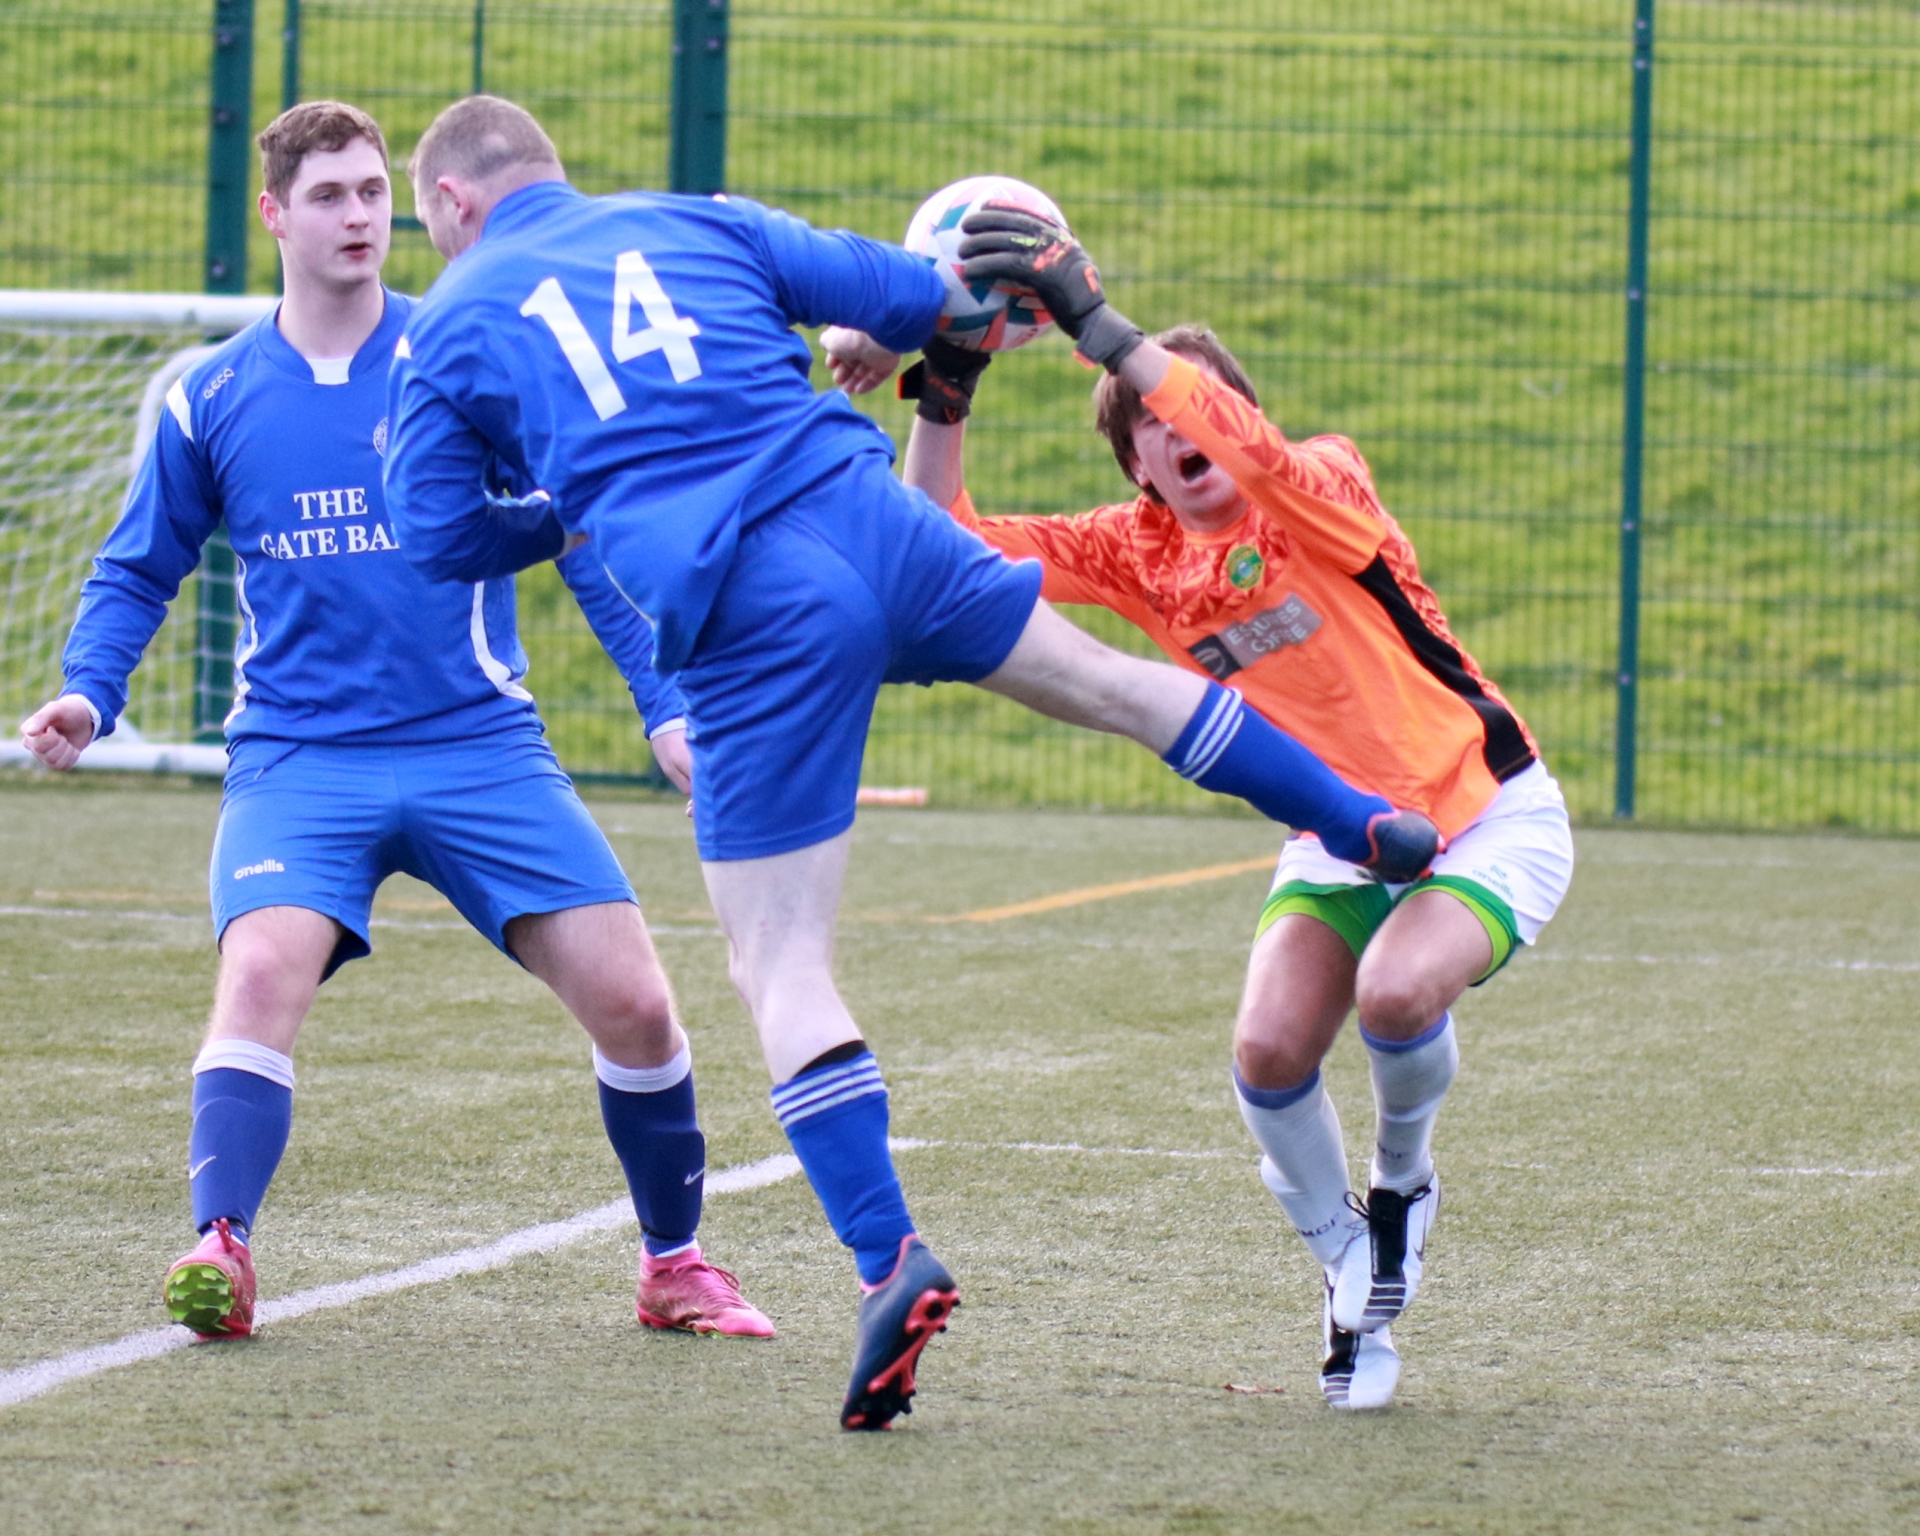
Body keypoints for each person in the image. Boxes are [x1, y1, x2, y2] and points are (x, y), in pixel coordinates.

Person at [382, 95, 1440, 1430]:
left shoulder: (451, 329)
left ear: (457, 208)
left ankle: (891, 1262)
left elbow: (436, 540)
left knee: (779, 960)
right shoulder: (692, 220)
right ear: (554, 174)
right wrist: (870, 344)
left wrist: (574, 496)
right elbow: (919, 292)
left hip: (744, 614)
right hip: (867, 515)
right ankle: (1365, 821)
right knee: (1113, 685)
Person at [17, 101, 771, 1346]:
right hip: (300, 760)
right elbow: (137, 567)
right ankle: (223, 1246)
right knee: (258, 972)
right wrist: (92, 691)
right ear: (274, 214)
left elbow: (581, 538)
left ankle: (675, 1263)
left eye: (375, 191)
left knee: (638, 1006)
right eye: (330, 195)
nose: (361, 215)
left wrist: (668, 707)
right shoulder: (210, 397)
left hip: (481, 748)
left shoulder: (463, 356)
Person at [824, 205, 1576, 1410]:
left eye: (1189, 408)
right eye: (1147, 432)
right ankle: (1348, 1265)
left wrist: (1098, 322)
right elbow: (944, 544)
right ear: (1136, 470)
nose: (1176, 432)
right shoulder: (1138, 550)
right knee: (1269, 1053)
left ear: (1232, 415)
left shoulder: (1318, 481)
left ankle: (1402, 1187)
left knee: (1392, 990)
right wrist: (945, 388)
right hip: (1339, 837)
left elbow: (1260, 450)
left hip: (1489, 812)